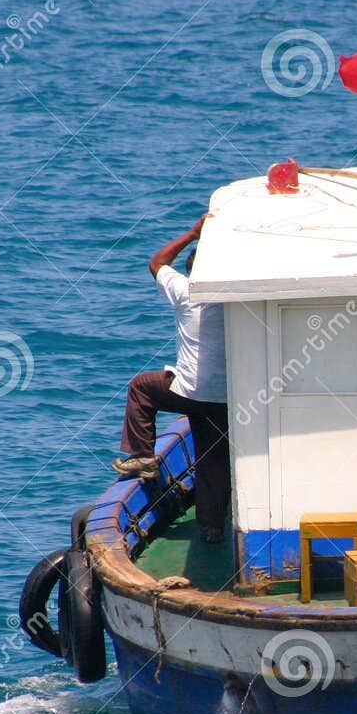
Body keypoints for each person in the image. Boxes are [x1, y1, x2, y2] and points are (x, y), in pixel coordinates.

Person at [115, 214, 232, 543]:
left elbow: (157, 262)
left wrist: (192, 234)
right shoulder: (237, 300)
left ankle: (144, 457)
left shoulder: (185, 292)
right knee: (213, 459)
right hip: (228, 396)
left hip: (191, 390)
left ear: (194, 273)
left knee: (141, 387)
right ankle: (212, 528)